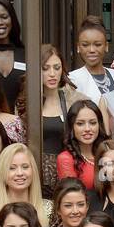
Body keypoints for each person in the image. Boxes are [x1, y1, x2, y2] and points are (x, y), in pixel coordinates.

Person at [35, 45, 90, 188]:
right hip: (36, 170)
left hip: (69, 168)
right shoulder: (27, 102)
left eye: (57, 67)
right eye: (45, 68)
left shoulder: (76, 100)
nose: (52, 73)